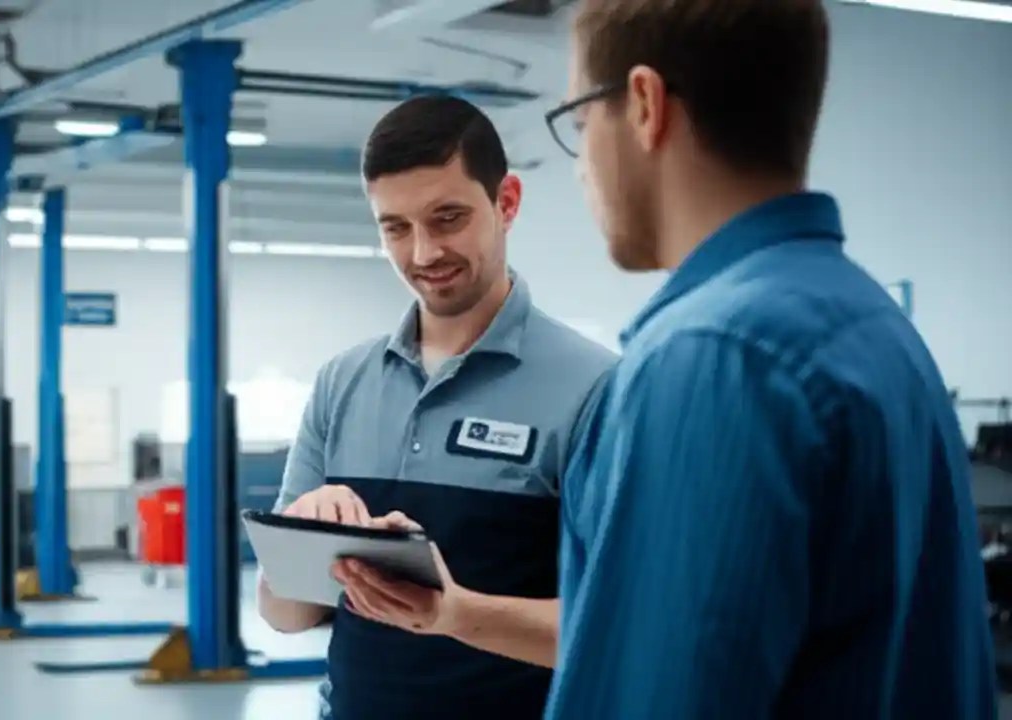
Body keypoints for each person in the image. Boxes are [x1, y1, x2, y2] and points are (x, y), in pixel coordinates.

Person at [544, 1, 996, 718]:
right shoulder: (875, 328)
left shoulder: (712, 358)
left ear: (643, 104)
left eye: (578, 121)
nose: (579, 169)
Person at [257, 95, 616, 720]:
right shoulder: (342, 383)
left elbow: (620, 629)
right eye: (395, 227)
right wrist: (305, 541)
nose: (423, 253)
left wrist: (456, 615)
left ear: (506, 202)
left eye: (447, 217)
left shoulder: (595, 388)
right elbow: (287, 616)